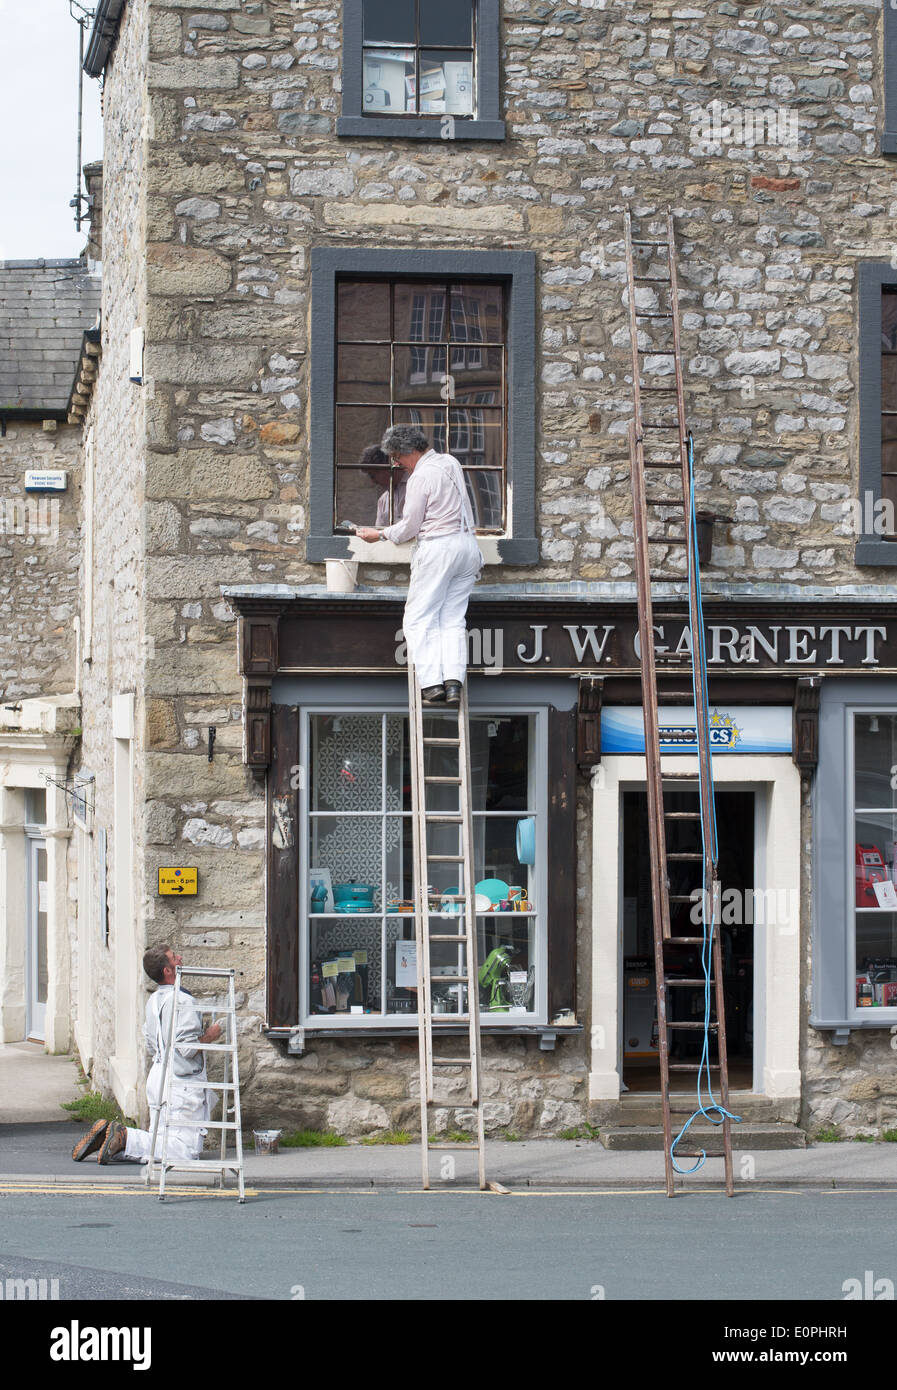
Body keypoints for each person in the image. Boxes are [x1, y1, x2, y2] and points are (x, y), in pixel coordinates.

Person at [356, 425, 483, 705]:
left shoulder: (420, 477)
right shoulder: (451, 462)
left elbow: (409, 528)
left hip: (439, 548)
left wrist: (378, 534)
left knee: (416, 620)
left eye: (397, 457)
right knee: (451, 620)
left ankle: (431, 685)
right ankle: (453, 683)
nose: (396, 463)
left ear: (409, 451)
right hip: (468, 548)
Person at [71, 944, 223, 1165]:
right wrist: (211, 1034)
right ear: (167, 970)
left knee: (160, 1140)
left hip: (158, 1075)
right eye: (174, 957)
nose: (180, 958)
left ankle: (112, 1139)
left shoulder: (153, 1002)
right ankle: (123, 1135)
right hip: (181, 1082)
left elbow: (151, 1045)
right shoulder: (184, 1001)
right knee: (185, 1151)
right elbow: (187, 1049)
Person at [358, 443, 406, 528]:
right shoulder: (383, 500)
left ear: (386, 467)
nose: (373, 481)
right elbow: (379, 534)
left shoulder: (417, 485)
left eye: (373, 475)